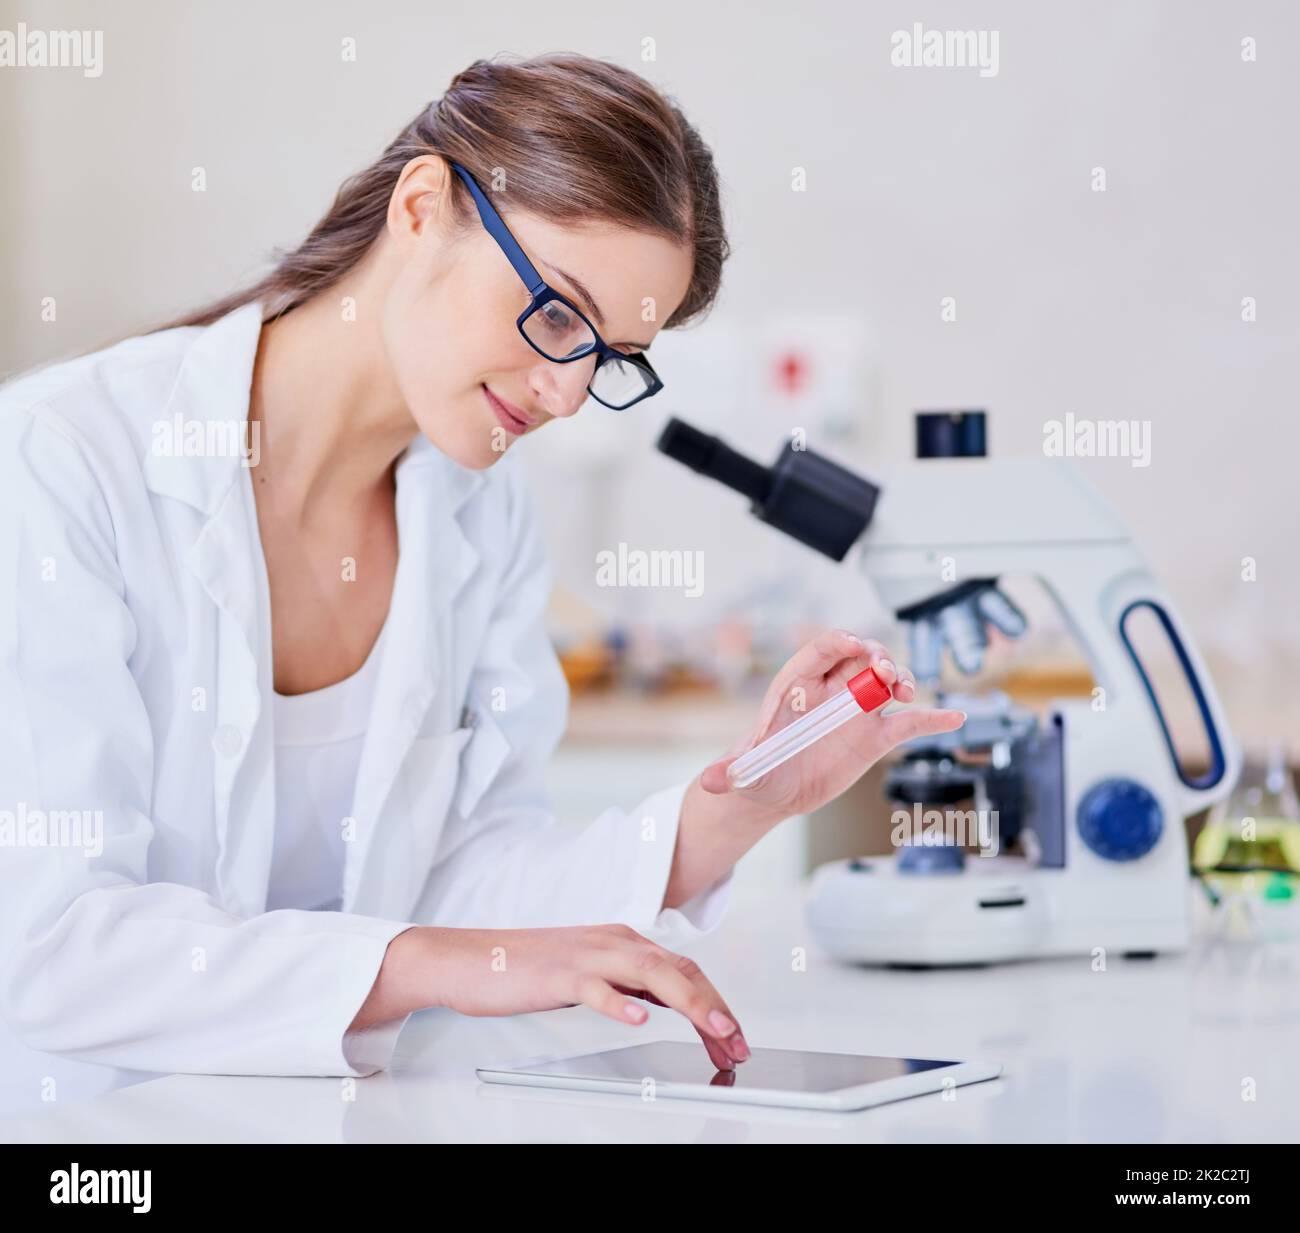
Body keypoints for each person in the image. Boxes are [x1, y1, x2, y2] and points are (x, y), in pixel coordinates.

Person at [0, 53, 964, 1081]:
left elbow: (462, 888)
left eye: (609, 359)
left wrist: (746, 802)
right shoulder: (60, 462)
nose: (566, 396)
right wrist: (423, 963)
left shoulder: (478, 511)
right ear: (422, 208)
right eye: (556, 314)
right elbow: (50, 944)